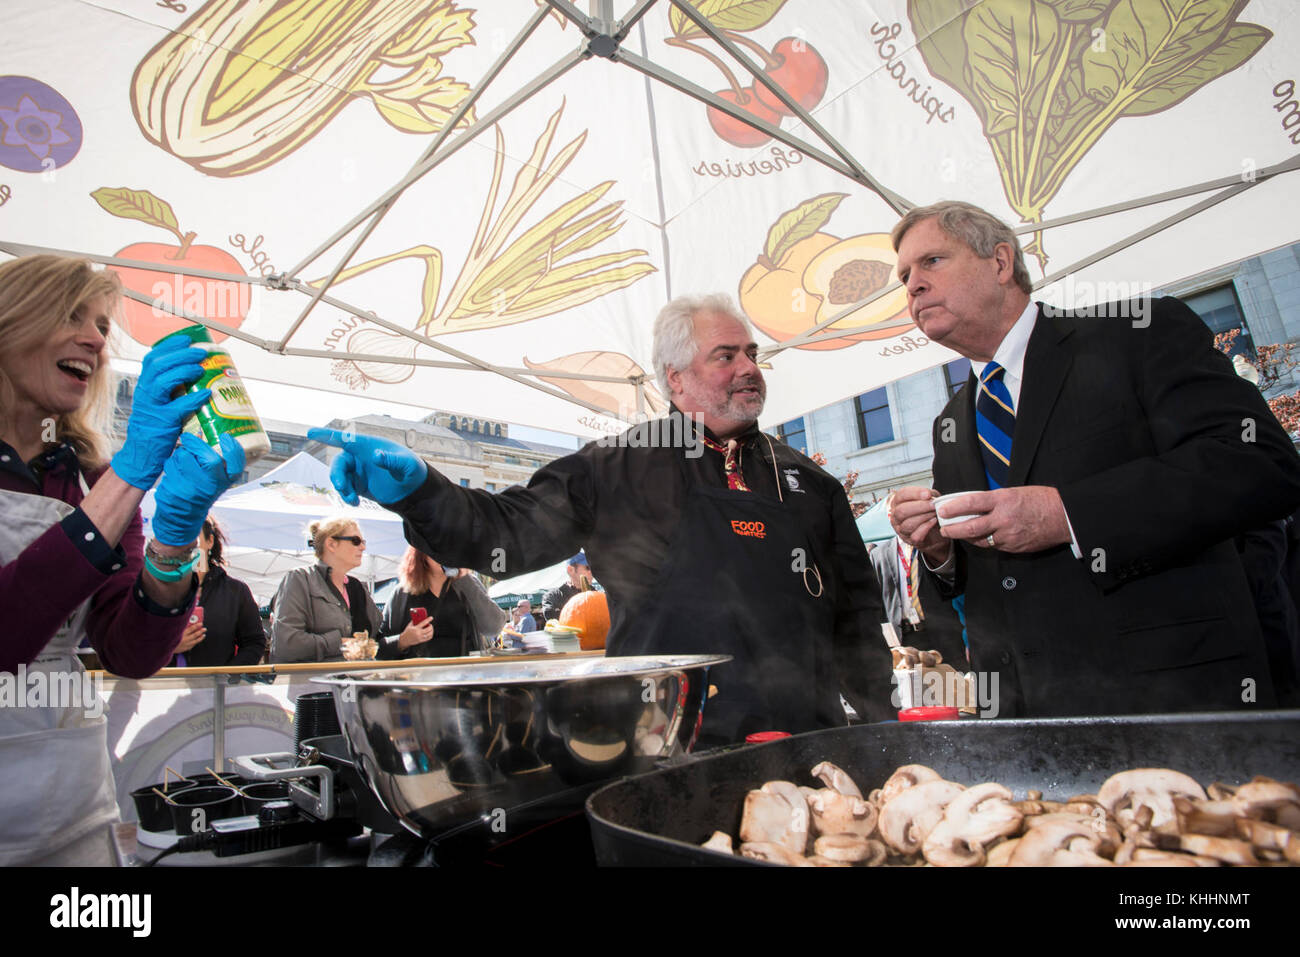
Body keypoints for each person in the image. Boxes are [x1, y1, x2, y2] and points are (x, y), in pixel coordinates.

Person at [309, 293, 889, 742]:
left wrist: (887, 728)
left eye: (752, 355)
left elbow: (858, 622)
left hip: (809, 741)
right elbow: (503, 532)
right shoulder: (616, 468)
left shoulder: (811, 485)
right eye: (726, 356)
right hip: (672, 742)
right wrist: (422, 492)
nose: (749, 368)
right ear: (676, 378)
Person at [887, 200, 1300, 717]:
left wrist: (1069, 514)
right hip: (1025, 722)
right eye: (905, 275)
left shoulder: (1139, 333)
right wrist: (940, 553)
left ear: (999, 263)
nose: (913, 285)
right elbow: (985, 582)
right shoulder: (950, 424)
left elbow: (1260, 464)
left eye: (932, 262)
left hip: (1171, 703)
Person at [0, 255, 243, 864]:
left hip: (71, 809)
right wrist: (133, 472)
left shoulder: (91, 479)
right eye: (71, 315)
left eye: (103, 325)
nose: (96, 339)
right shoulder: (113, 487)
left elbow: (130, 653)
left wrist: (173, 542)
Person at [270, 517, 381, 662]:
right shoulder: (300, 579)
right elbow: (287, 644)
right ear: (331, 544)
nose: (363, 547)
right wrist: (341, 643)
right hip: (311, 682)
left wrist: (401, 640)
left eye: (363, 542)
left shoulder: (356, 587)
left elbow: (376, 639)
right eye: (356, 541)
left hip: (353, 681)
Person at [377, 547, 507, 658]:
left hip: (464, 677)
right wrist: (403, 640)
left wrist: (464, 578)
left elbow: (494, 627)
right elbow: (379, 649)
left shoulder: (467, 583)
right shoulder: (403, 592)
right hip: (418, 680)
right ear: (421, 552)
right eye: (437, 546)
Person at [173, 516, 266, 667]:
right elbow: (137, 642)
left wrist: (226, 677)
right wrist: (169, 647)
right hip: (163, 687)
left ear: (209, 541)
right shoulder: (156, 590)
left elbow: (254, 643)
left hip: (217, 688)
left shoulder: (236, 591)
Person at [868, 535, 966, 668]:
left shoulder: (935, 544)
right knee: (915, 686)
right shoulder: (879, 554)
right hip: (904, 638)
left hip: (943, 634)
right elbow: (878, 603)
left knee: (951, 684)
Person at [542, 552, 594, 621]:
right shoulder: (553, 596)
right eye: (588, 568)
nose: (592, 572)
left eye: (593, 568)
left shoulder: (595, 593)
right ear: (570, 570)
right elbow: (554, 623)